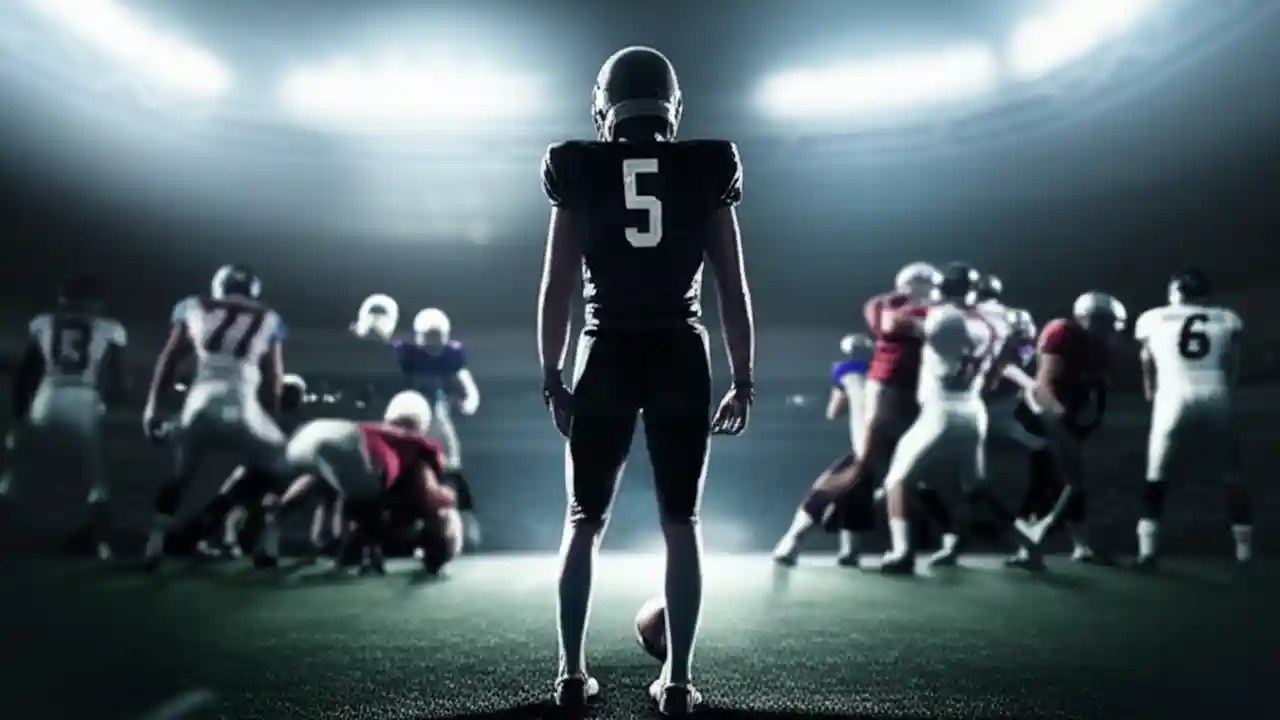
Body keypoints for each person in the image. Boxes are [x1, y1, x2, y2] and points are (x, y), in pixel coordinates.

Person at [537, 46, 754, 715]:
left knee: (582, 520)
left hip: (604, 350)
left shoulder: (576, 164)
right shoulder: (707, 162)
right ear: (671, 104)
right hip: (678, 351)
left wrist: (552, 374)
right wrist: (743, 378)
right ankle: (680, 682)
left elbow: (557, 288)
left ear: (604, 104)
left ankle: (571, 674)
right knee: (682, 521)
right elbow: (731, 287)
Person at [876, 264, 1041, 573]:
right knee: (975, 489)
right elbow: (1014, 351)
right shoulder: (996, 319)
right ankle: (1028, 543)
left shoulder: (945, 318)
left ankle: (902, 552)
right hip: (973, 409)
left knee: (897, 479)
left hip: (941, 408)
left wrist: (908, 299)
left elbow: (893, 326)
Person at [141, 264, 289, 571]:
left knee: (180, 476)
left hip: (199, 402)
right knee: (280, 462)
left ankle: (153, 546)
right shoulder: (270, 318)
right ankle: (269, 544)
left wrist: (153, 406)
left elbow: (169, 357)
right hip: (242, 403)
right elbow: (275, 376)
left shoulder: (192, 306)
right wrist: (272, 414)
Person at [1133, 268, 1251, 569]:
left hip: (1172, 393)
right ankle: (1244, 553)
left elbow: (1146, 359)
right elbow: (1234, 362)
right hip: (1215, 390)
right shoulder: (1226, 317)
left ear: (1175, 291)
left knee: (1157, 474)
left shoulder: (1153, 317)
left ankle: (1148, 552)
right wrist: (1226, 389)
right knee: (1232, 473)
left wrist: (1150, 390)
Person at [2, 275, 126, 559]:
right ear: (97, 302)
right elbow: (117, 379)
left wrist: (18, 417)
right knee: (96, 476)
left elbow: (26, 373)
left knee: (16, 471)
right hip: (84, 398)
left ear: (63, 298)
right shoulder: (110, 328)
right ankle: (96, 540)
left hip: (47, 397)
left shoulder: (43, 322)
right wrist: (110, 401)